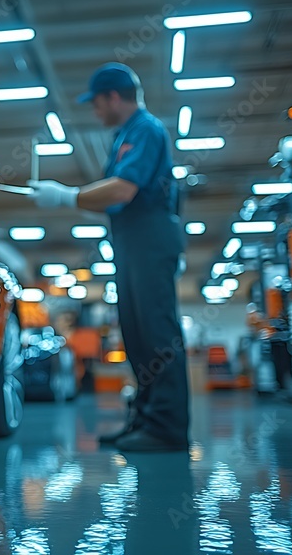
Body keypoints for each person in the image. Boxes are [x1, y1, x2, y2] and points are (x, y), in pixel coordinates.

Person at [28, 63, 189, 452]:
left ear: (113, 96)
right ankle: (147, 419)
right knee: (135, 333)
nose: (95, 111)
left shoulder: (145, 129)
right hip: (131, 240)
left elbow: (122, 191)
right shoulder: (124, 136)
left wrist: (66, 196)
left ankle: (168, 427)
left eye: (97, 104)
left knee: (155, 330)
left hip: (149, 236)